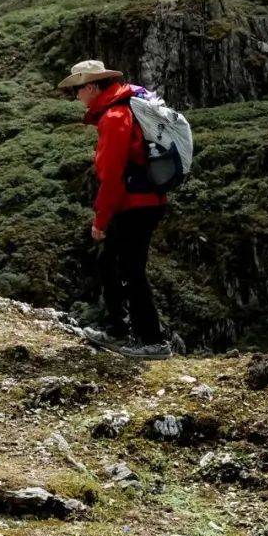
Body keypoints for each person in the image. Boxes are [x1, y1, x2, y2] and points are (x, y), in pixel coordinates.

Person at [57, 58, 166, 349]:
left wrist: (100, 222)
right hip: (145, 201)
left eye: (77, 89)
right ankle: (121, 330)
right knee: (113, 264)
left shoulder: (115, 117)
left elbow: (112, 177)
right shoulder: (125, 108)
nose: (76, 96)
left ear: (92, 86)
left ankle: (151, 341)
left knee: (129, 270)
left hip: (134, 204)